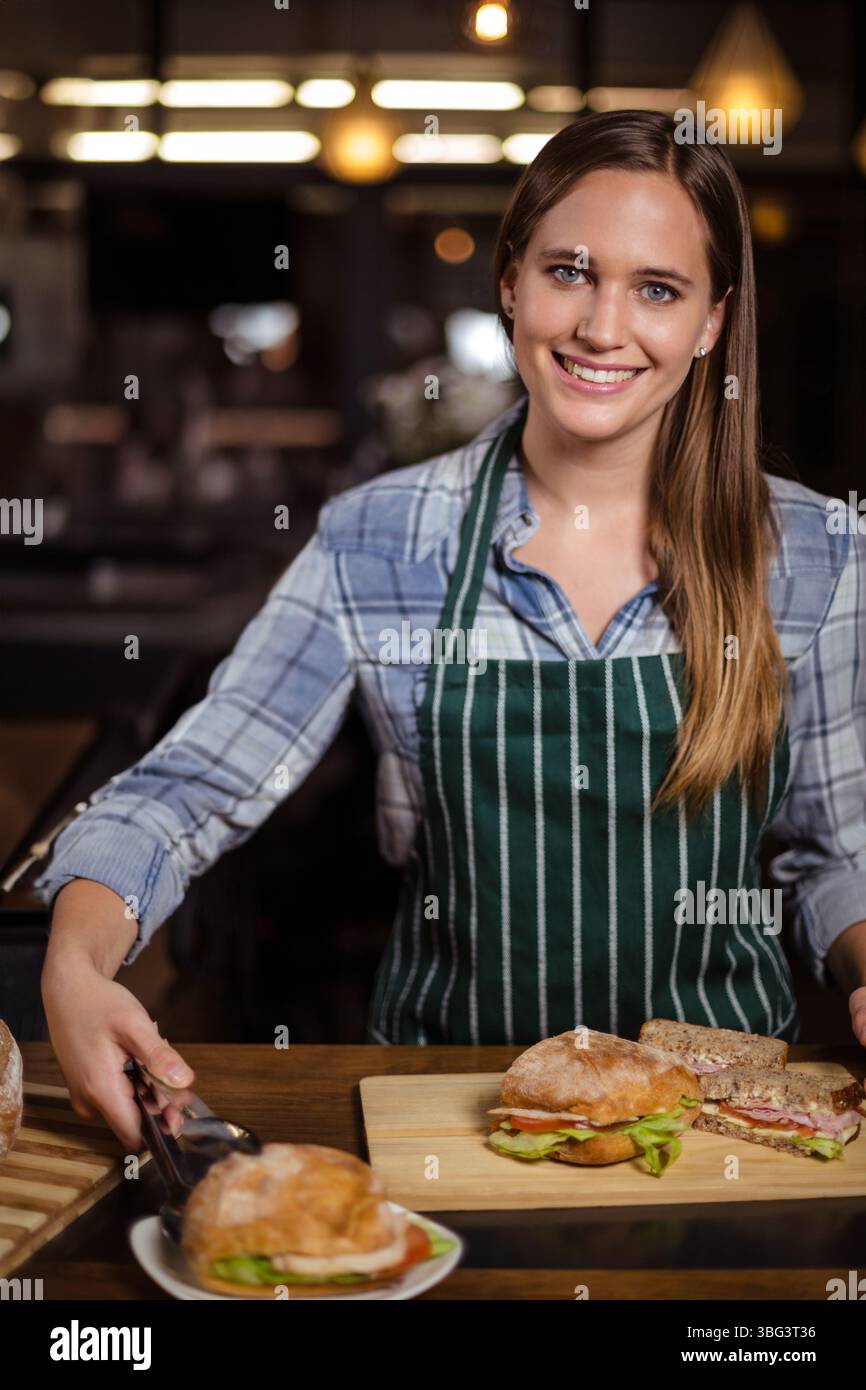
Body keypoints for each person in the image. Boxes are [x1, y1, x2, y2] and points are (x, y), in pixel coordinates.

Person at [34, 111, 866, 1150]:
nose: (604, 326)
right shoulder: (379, 540)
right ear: (510, 282)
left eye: (656, 288)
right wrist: (70, 968)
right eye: (570, 271)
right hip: (451, 1118)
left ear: (709, 321)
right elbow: (180, 795)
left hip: (722, 1133)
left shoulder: (813, 551)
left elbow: (835, 855)